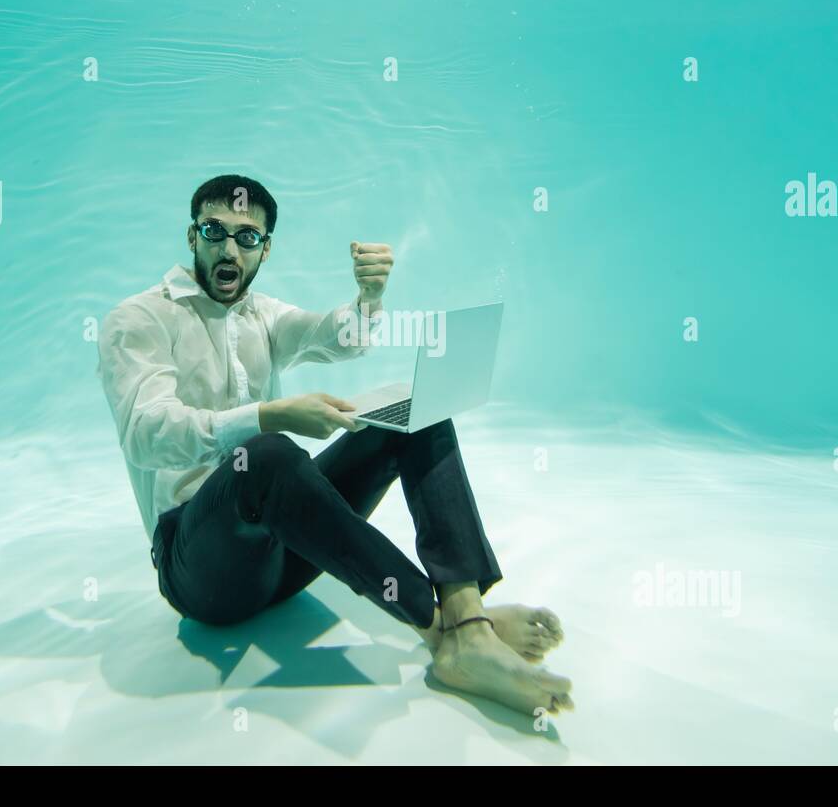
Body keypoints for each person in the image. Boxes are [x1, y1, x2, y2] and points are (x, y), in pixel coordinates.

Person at [96, 174, 573, 716]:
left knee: (415, 413)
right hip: (201, 573)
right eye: (214, 231)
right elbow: (146, 433)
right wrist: (270, 415)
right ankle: (442, 627)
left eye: (246, 238)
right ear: (192, 237)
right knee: (268, 453)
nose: (229, 249)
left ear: (265, 249)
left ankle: (467, 617)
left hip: (284, 555)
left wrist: (367, 298)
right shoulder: (137, 318)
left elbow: (334, 336)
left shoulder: (262, 315)